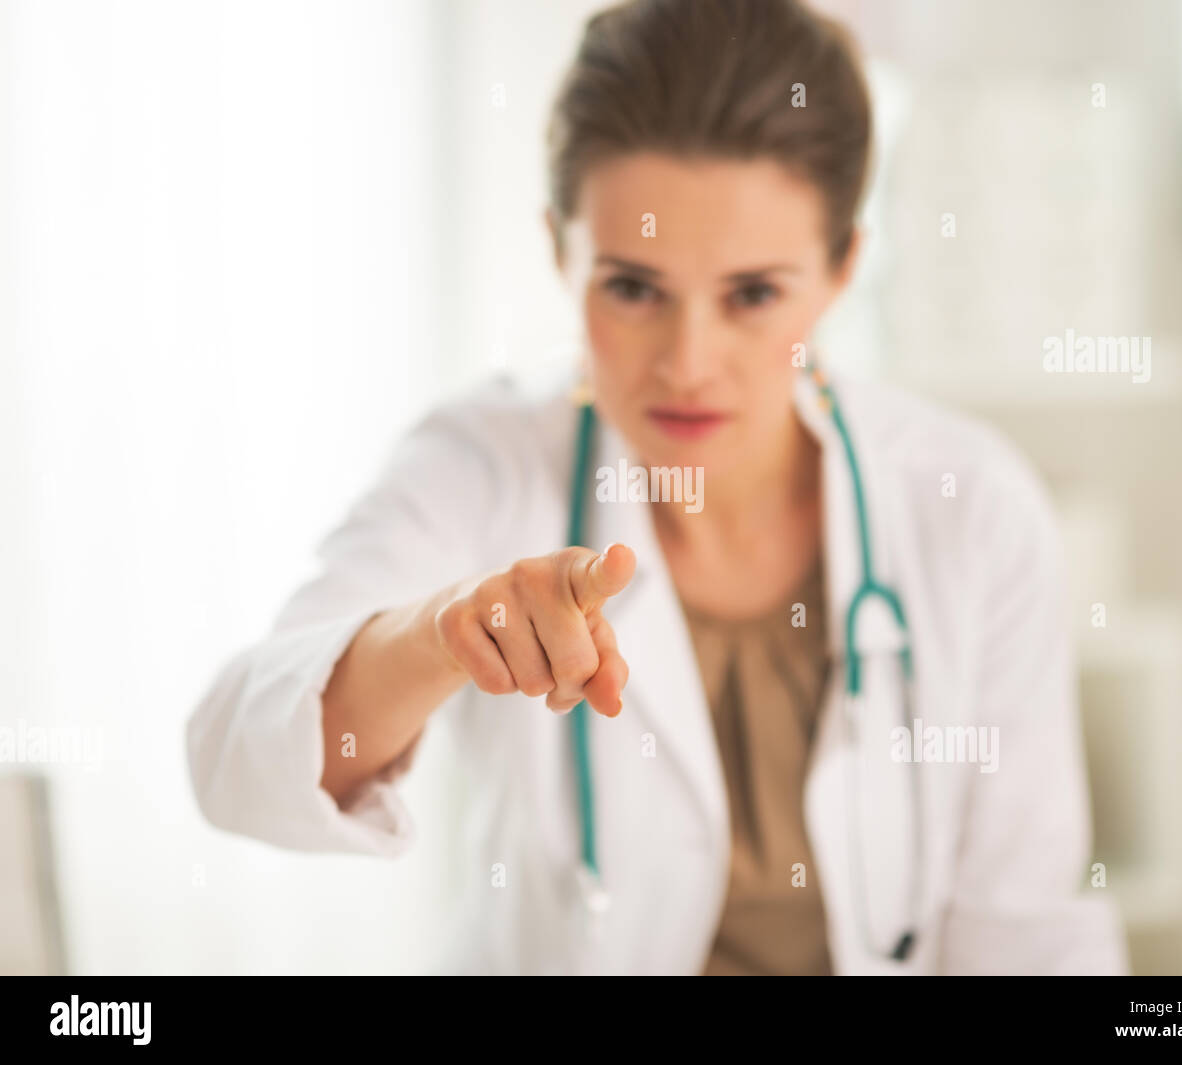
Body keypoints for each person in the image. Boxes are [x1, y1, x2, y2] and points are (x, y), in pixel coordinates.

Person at [186, 0, 1128, 976]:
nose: (687, 362)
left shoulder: (968, 503)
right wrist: (443, 635)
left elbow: (1026, 933)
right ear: (561, 249)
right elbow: (235, 764)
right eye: (633, 288)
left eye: (752, 294)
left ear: (844, 264)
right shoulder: (485, 460)